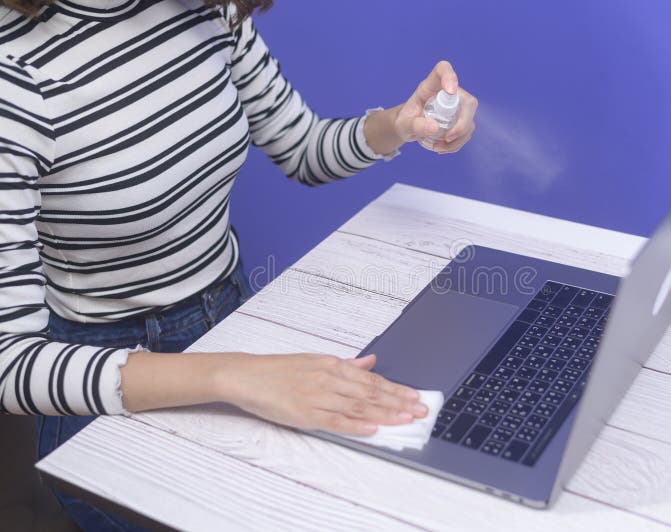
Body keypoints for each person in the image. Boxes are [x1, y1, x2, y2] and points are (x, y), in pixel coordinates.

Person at [0, 0, 478, 527]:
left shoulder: (207, 9)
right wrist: (236, 375)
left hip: (233, 318)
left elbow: (304, 148)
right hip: (111, 377)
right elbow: (13, 365)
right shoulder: (14, 79)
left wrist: (399, 124)